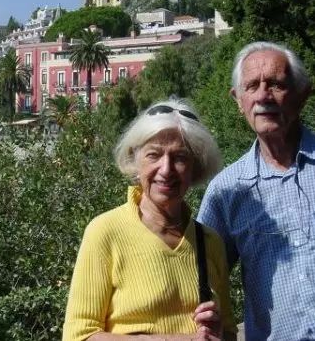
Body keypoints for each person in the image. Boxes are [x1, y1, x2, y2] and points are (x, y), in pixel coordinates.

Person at [63, 98, 237, 341]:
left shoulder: (210, 242)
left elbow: (229, 332)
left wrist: (218, 333)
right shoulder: (105, 232)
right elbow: (79, 335)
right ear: (135, 160)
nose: (166, 170)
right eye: (154, 155)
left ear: (196, 166)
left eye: (180, 158)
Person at [198, 41, 314, 340]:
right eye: (252, 86)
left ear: (302, 96)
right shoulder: (227, 191)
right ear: (238, 100)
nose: (263, 96)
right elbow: (201, 278)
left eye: (276, 84)